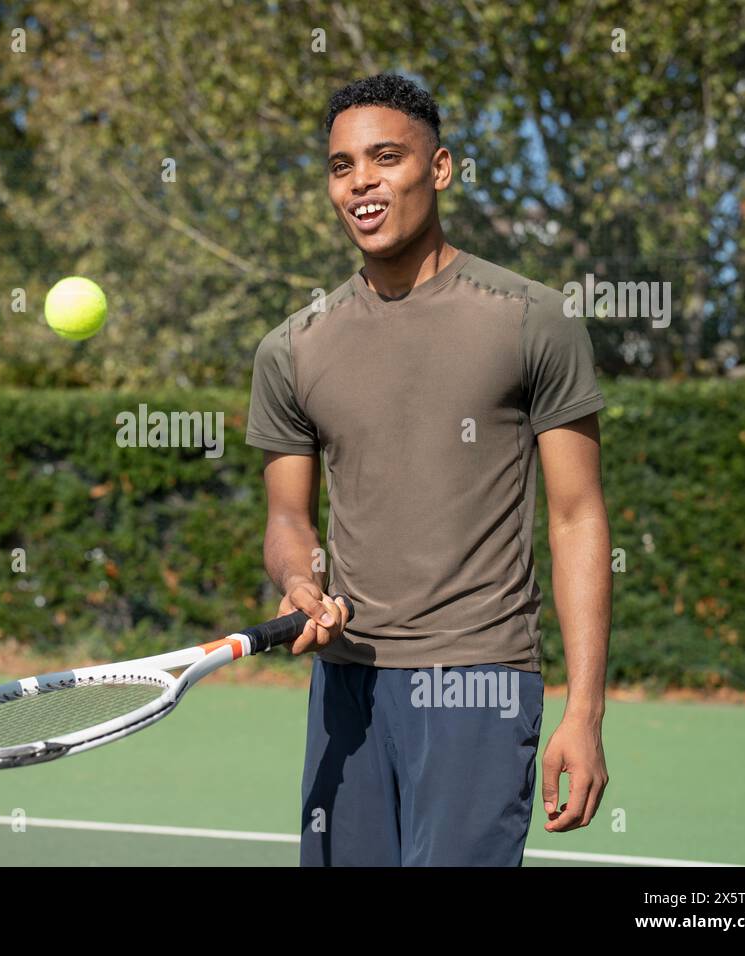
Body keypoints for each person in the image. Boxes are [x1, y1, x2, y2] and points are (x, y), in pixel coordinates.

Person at [245, 73, 611, 866]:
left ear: (439, 169)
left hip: (481, 683)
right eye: (341, 166)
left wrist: (584, 711)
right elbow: (287, 519)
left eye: (384, 158)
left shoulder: (531, 320)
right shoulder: (292, 348)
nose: (361, 183)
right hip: (348, 691)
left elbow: (578, 516)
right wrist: (301, 577)